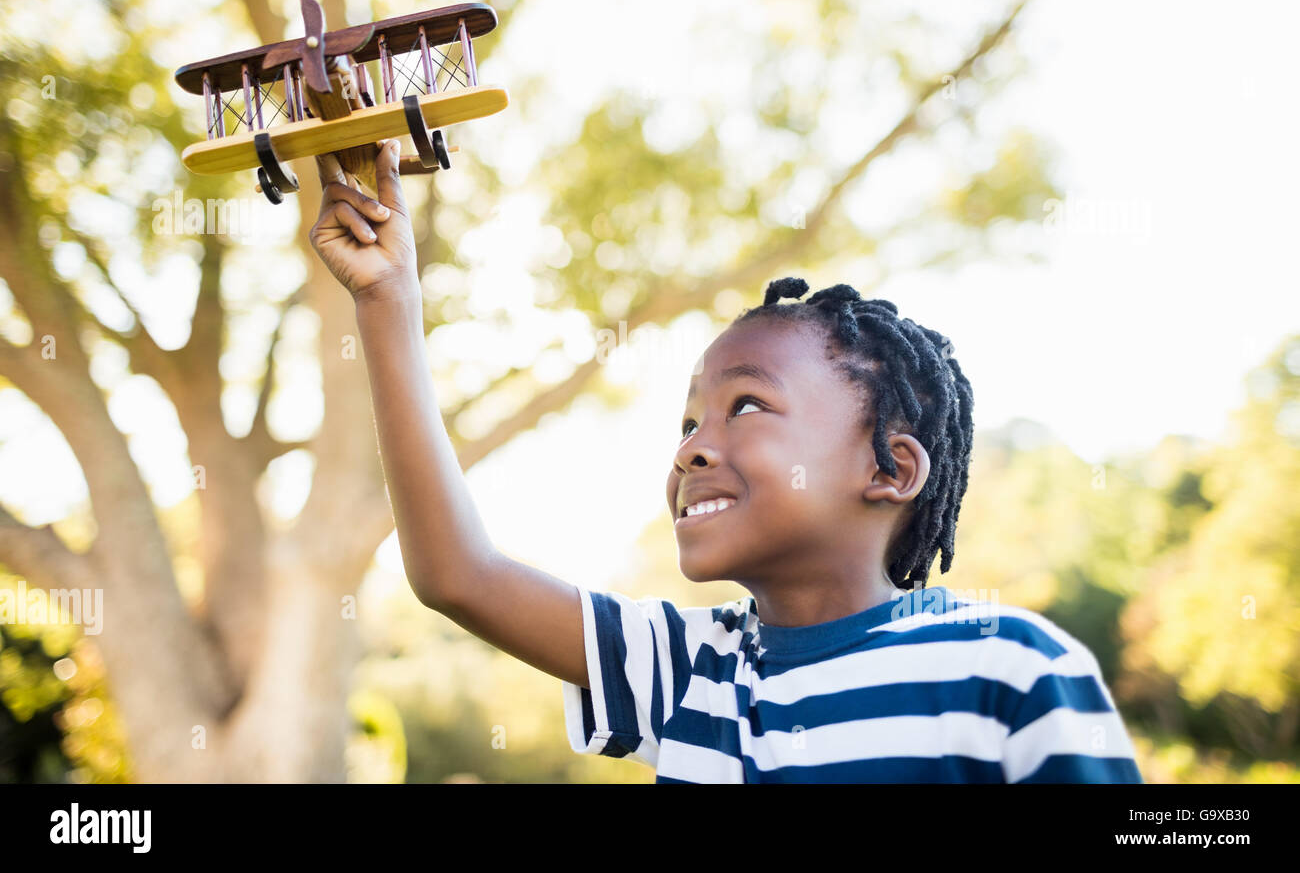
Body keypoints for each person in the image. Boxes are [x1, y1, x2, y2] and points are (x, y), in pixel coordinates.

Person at [308, 140, 1144, 783]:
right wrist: (387, 300)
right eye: (687, 422)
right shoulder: (686, 670)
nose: (691, 448)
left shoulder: (1009, 671)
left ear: (889, 470)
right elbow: (458, 574)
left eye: (745, 406)